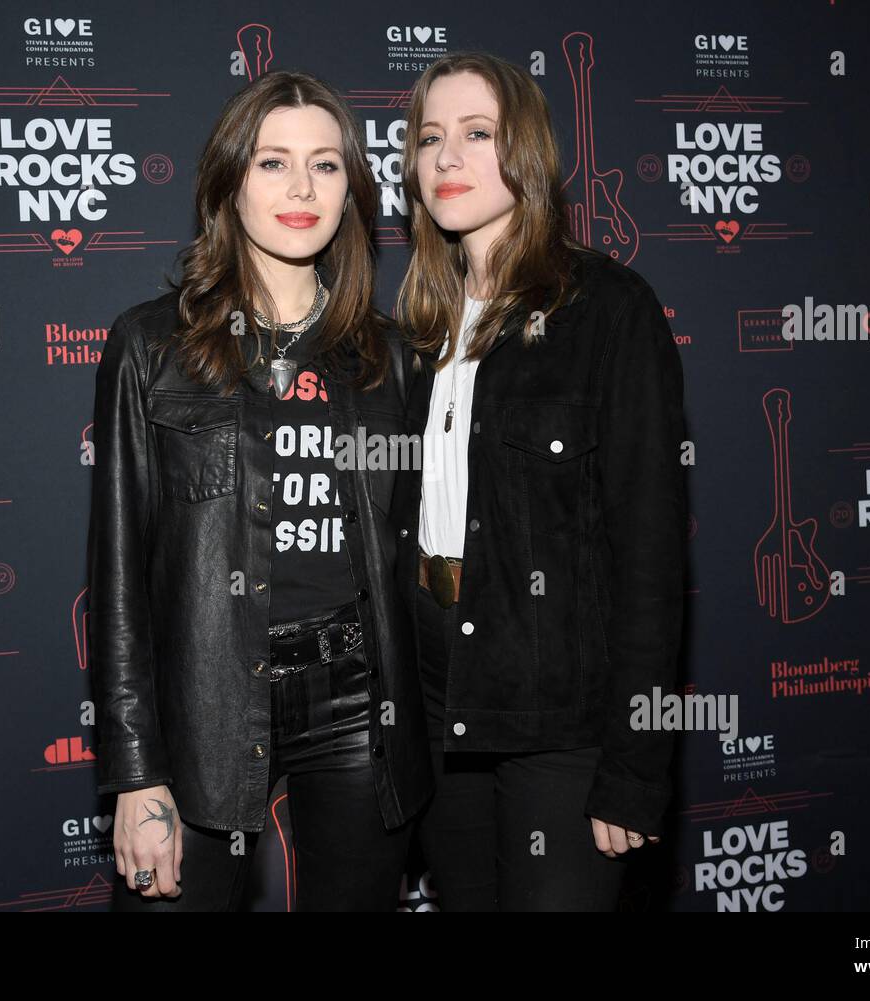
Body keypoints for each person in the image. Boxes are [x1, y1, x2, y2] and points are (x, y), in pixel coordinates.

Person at [87, 70, 433, 911]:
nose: (301, 188)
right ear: (229, 182)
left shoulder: (388, 356)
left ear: (352, 188)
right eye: (274, 163)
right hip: (204, 696)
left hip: (359, 699)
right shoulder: (149, 346)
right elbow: (120, 577)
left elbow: (416, 556)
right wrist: (136, 773)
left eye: (325, 164)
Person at [389, 51, 689, 911]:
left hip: (561, 723)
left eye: (476, 135)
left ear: (525, 151)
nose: (447, 159)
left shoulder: (610, 311)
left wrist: (635, 765)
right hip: (440, 702)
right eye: (430, 138)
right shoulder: (414, 330)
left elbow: (650, 561)